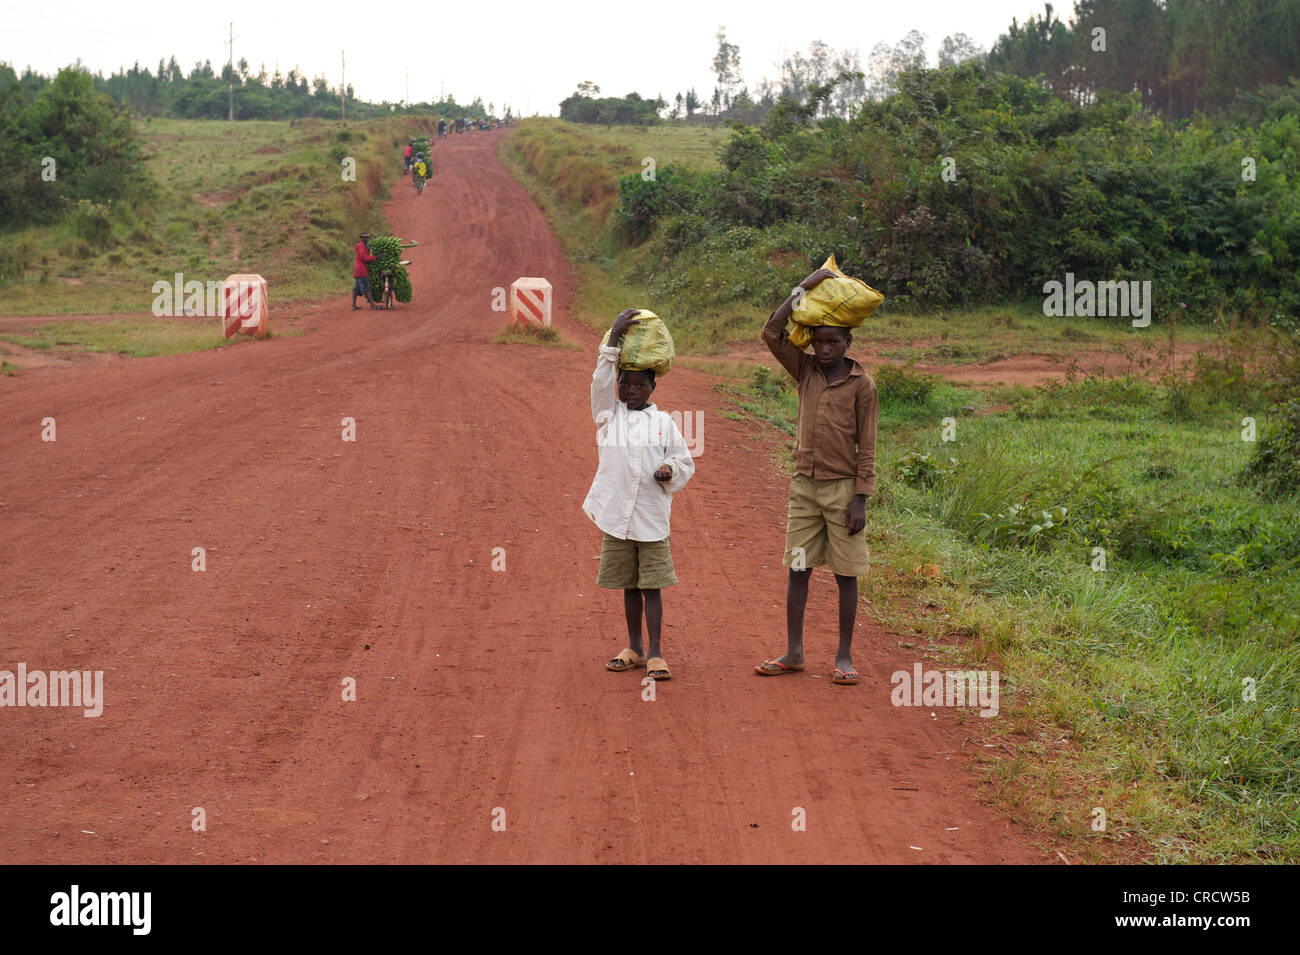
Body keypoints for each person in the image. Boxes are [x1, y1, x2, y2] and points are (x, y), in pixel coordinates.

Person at [754, 267, 878, 685]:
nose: (824, 349)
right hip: (804, 487)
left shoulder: (863, 386)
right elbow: (772, 333)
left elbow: (868, 445)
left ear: (848, 343)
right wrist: (803, 287)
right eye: (819, 341)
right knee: (798, 569)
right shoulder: (804, 370)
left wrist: (861, 497)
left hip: (843, 491)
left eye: (833, 342)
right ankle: (794, 651)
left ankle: (843, 656)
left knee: (846, 576)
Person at [584, 308, 695, 681]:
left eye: (639, 385)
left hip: (650, 520)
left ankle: (657, 653)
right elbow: (600, 382)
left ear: (653, 387)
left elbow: (683, 462)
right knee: (629, 586)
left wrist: (670, 472)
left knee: (652, 588)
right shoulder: (607, 416)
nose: (630, 390)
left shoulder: (664, 423)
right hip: (618, 517)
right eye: (625, 384)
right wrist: (613, 339)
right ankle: (634, 647)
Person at [352, 232, 381, 310]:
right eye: (364, 237)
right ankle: (373, 305)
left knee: (356, 288)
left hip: (359, 269)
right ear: (361, 238)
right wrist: (375, 257)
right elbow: (364, 257)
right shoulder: (361, 246)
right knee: (366, 287)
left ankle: (353, 305)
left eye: (367, 237)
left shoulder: (364, 245)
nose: (366, 239)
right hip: (361, 270)